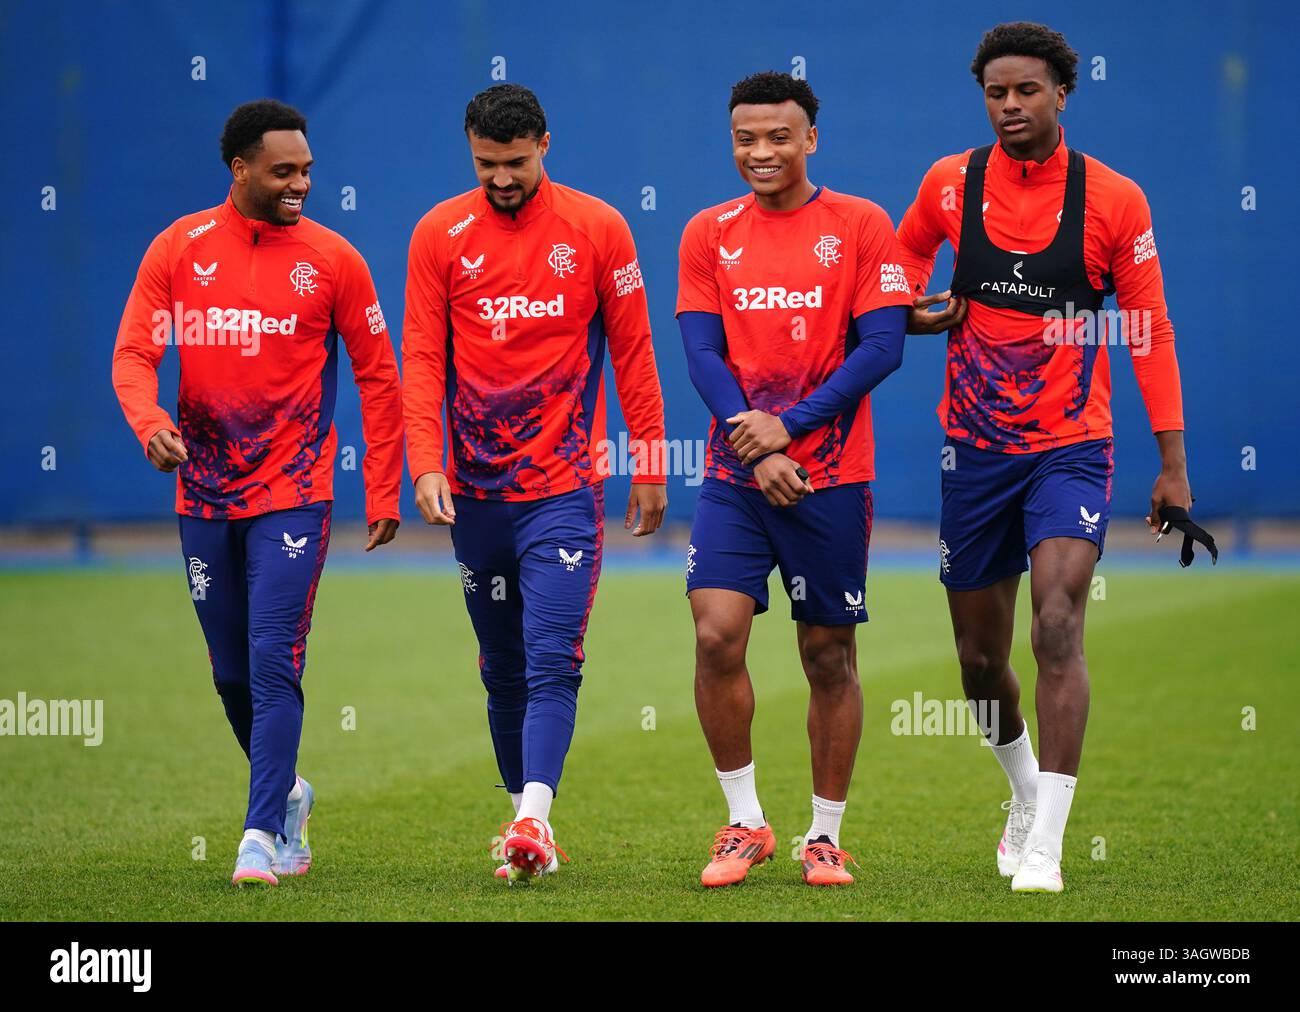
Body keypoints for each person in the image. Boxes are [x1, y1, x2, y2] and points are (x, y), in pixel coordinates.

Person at [895, 22, 1190, 893]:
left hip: (1071, 447)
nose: (1011, 106)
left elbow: (1150, 330)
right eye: (996, 92)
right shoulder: (950, 183)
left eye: (1027, 91)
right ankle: (1021, 793)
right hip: (975, 452)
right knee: (980, 663)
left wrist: (1172, 463)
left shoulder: (1115, 200)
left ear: (1064, 92)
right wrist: (910, 311)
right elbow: (896, 268)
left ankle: (1049, 846)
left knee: (1057, 624)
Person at [111, 99, 404, 887]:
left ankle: (259, 834)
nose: (301, 183)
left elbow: (380, 375)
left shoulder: (334, 259)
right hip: (203, 493)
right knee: (228, 670)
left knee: (275, 657)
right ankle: (290, 793)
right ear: (238, 169)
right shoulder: (179, 248)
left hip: (293, 492)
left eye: (306, 169)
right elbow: (136, 352)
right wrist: (149, 423)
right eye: (284, 172)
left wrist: (383, 488)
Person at [402, 84, 667, 883]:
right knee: (501, 663)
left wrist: (649, 461)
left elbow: (633, 348)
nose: (503, 178)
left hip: (562, 489)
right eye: (487, 164)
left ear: (544, 144)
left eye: (516, 163)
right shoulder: (438, 233)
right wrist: (424, 459)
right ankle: (526, 826)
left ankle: (534, 817)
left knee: (554, 657)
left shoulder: (598, 227)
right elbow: (421, 355)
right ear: (469, 149)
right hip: (476, 495)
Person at [676, 71, 911, 887]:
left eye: (779, 136)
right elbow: (703, 353)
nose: (761, 151)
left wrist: (793, 428)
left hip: (834, 477)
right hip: (737, 477)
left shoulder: (861, 225)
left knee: (827, 655)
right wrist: (759, 445)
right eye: (746, 137)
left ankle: (824, 834)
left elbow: (883, 345)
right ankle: (744, 823)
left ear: (811, 138)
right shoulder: (709, 232)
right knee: (715, 635)